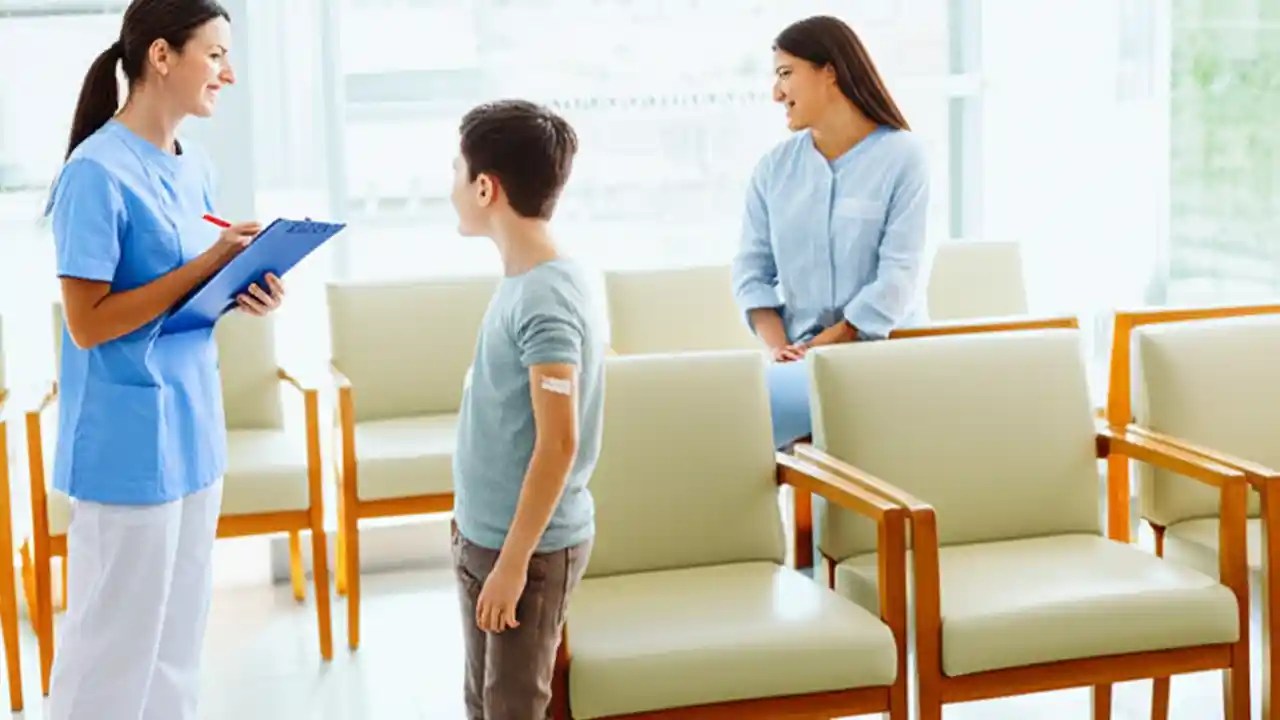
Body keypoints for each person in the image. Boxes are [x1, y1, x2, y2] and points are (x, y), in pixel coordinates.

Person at [44, 1, 283, 717]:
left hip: (192, 433)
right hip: (125, 447)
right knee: (111, 649)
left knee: (176, 648)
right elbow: (88, 324)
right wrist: (207, 264)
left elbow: (182, 299)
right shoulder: (94, 173)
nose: (228, 73)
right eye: (214, 55)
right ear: (160, 56)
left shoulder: (193, 165)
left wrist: (242, 287)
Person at [447, 99, 605, 719]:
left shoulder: (546, 294)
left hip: (527, 553)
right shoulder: (523, 279)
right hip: (484, 535)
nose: (452, 188)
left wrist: (513, 564)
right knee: (483, 702)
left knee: (513, 707)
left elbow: (558, 443)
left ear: (485, 187)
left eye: (456, 172)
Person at [732, 15, 932, 449]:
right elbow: (751, 275)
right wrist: (781, 349)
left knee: (732, 424)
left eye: (786, 74)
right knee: (723, 418)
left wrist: (819, 348)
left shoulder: (904, 158)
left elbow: (897, 281)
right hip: (798, 363)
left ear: (830, 71)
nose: (776, 93)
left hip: (881, 359)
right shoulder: (773, 170)